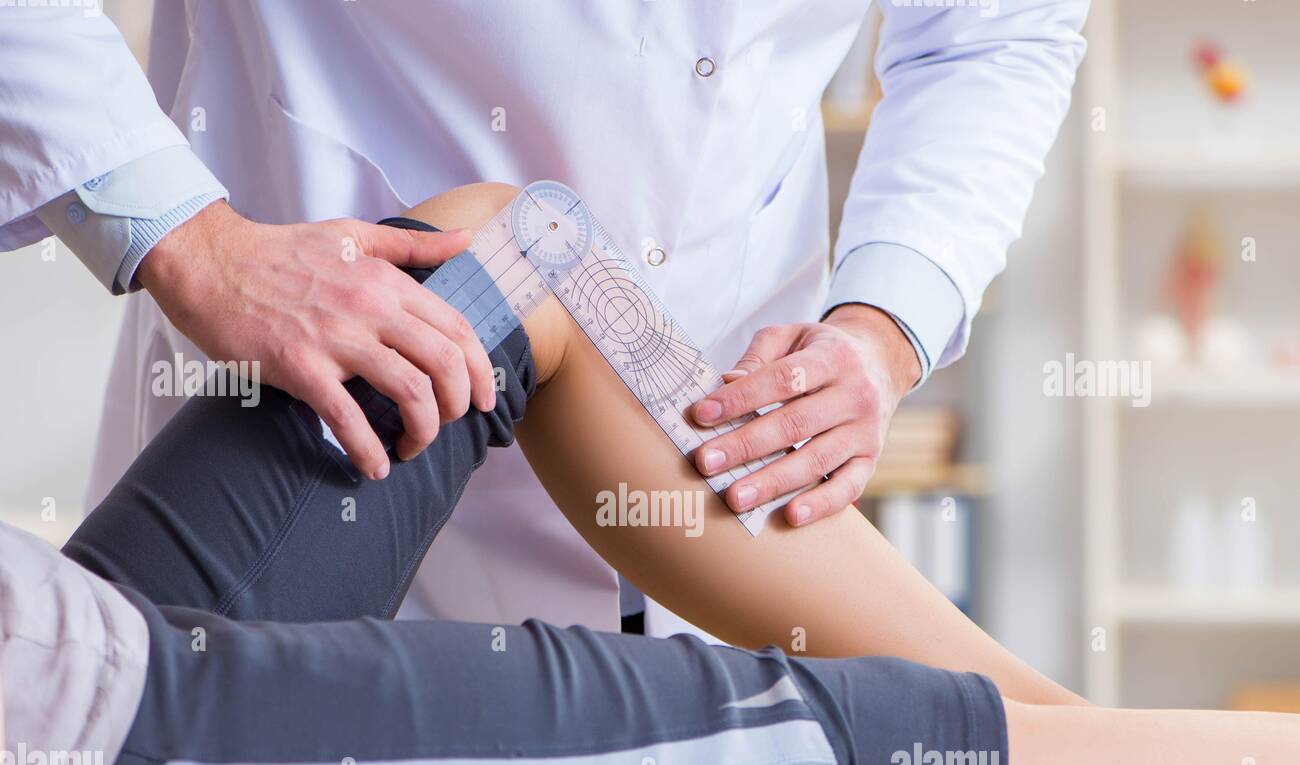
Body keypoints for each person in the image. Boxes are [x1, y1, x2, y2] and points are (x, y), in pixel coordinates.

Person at [2, 183, 1297, 765]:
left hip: (56, 639)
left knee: (513, 249)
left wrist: (885, 318)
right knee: (868, 753)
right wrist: (179, 232)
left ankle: (1088, 746)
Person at [0, 0, 1090, 639]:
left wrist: (885, 323)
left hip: (717, 446)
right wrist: (191, 240)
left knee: (960, 762)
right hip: (322, 414)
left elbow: (991, 34)